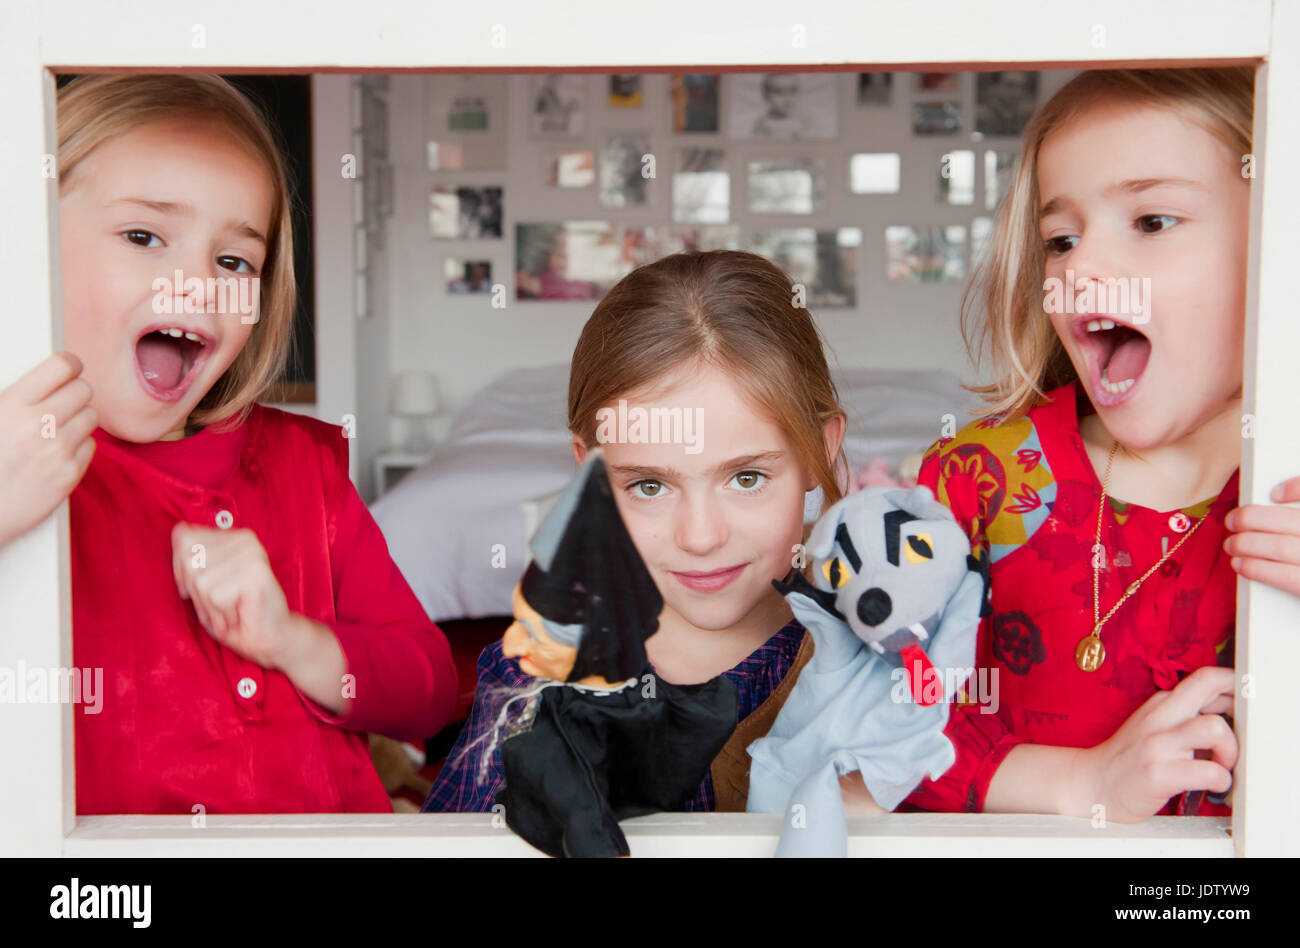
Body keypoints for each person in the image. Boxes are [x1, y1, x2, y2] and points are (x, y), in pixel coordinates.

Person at [40, 74, 456, 814]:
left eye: (234, 261)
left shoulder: (305, 467)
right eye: (144, 236)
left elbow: (428, 691)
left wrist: (289, 639)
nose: (200, 285)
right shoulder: (26, 468)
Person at [904, 67, 1300, 821]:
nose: (1079, 269)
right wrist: (1080, 784)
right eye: (1060, 240)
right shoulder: (980, 478)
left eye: (1152, 222)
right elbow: (876, 720)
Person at [425, 250, 878, 814]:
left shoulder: (881, 660)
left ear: (821, 451)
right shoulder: (537, 678)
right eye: (649, 486)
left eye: (746, 476)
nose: (701, 536)